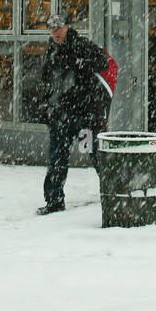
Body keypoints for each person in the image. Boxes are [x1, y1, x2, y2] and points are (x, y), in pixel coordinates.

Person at [38, 13, 111, 215]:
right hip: (60, 115)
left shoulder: (81, 44)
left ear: (67, 27)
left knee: (95, 156)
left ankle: (113, 192)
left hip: (84, 116)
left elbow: (103, 62)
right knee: (56, 159)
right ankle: (54, 201)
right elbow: (46, 81)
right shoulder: (51, 51)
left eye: (59, 28)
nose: (56, 32)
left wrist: (83, 63)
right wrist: (45, 106)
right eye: (52, 29)